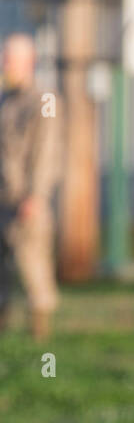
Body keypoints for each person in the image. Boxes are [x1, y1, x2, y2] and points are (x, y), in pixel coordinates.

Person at [0, 33, 59, 340]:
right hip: (2, 198)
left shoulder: (44, 101)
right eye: (4, 57)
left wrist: (36, 195)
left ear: (29, 62)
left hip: (26, 199)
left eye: (11, 59)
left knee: (31, 264)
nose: (5, 64)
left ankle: (40, 335)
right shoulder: (4, 99)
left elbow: (46, 152)